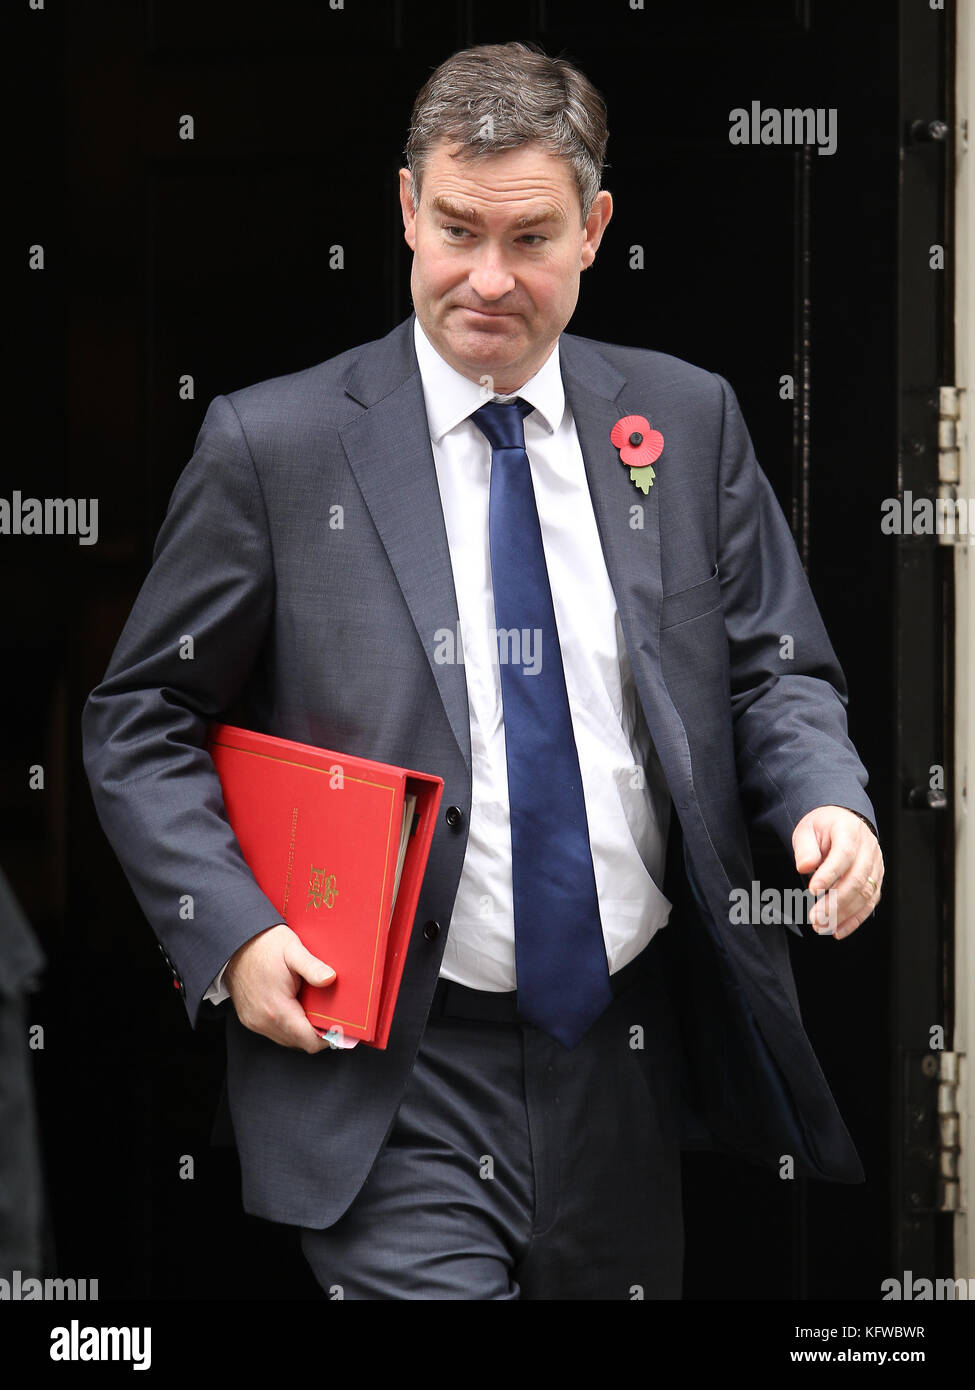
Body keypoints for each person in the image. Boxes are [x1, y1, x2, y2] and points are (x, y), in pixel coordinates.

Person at [82, 40, 884, 1300]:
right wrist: (229, 933)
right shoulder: (273, 445)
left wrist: (827, 796)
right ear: (406, 208)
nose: (488, 279)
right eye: (456, 229)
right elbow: (141, 718)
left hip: (623, 1047)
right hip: (392, 1068)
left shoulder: (684, 421)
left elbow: (773, 668)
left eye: (530, 238)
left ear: (595, 228)